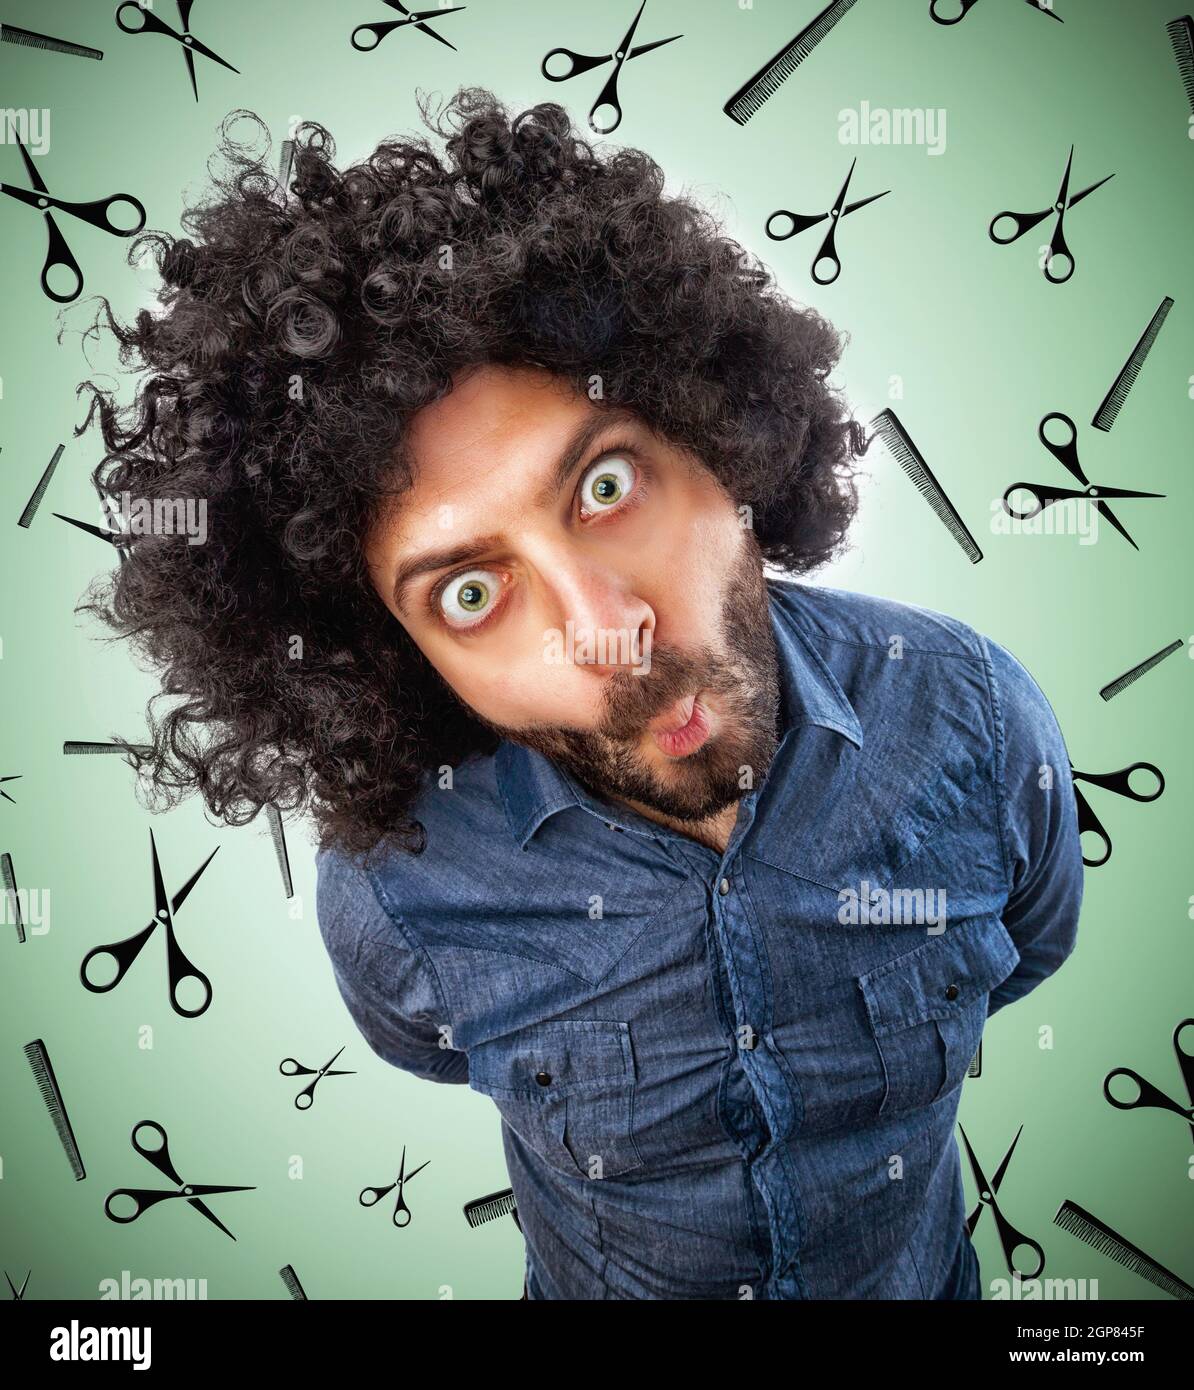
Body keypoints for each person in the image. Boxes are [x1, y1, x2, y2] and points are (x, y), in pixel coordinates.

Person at [76, 88, 1083, 1300]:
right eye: (467, 596)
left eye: (606, 486)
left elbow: (1026, 946)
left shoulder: (973, 720)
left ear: (722, 434)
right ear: (399, 664)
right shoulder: (401, 886)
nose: (609, 636)